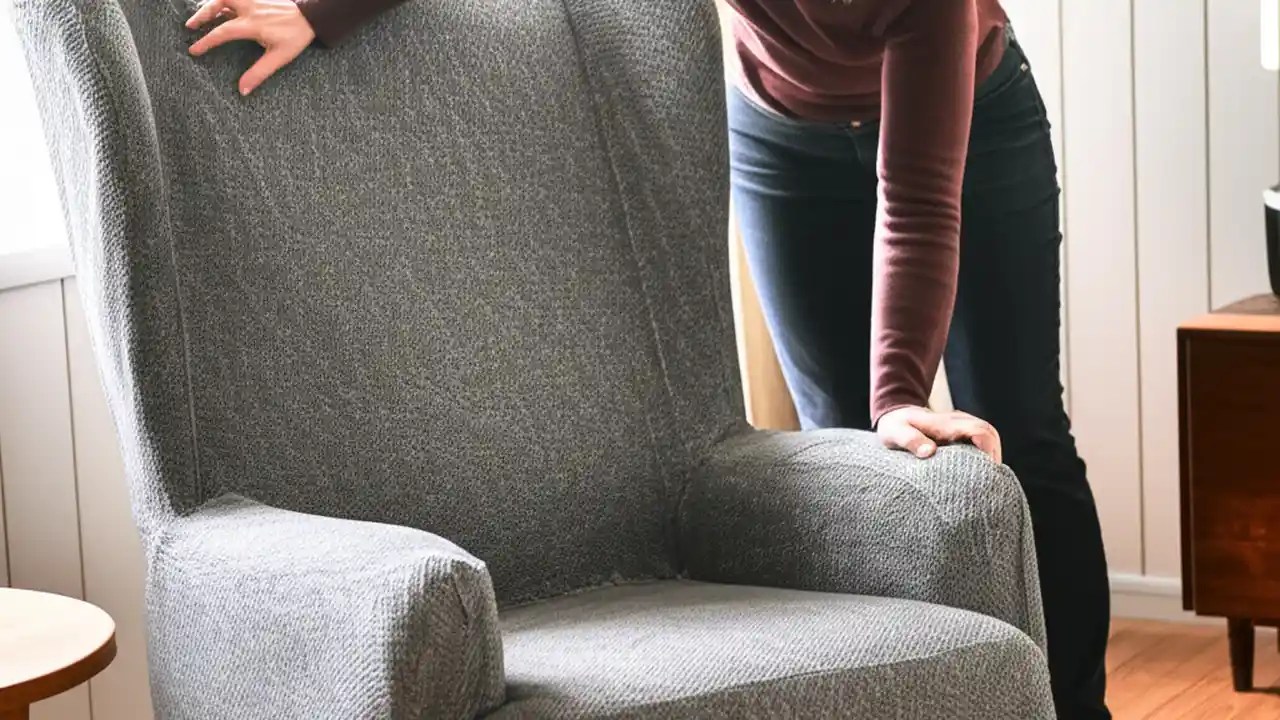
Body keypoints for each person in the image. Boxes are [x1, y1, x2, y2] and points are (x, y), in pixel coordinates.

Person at [184, 1, 1112, 716]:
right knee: (852, 455)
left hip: (974, 127)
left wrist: (902, 391)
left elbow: (915, 198)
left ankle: (1071, 705)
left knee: (1017, 429)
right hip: (783, 133)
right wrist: (319, 11)